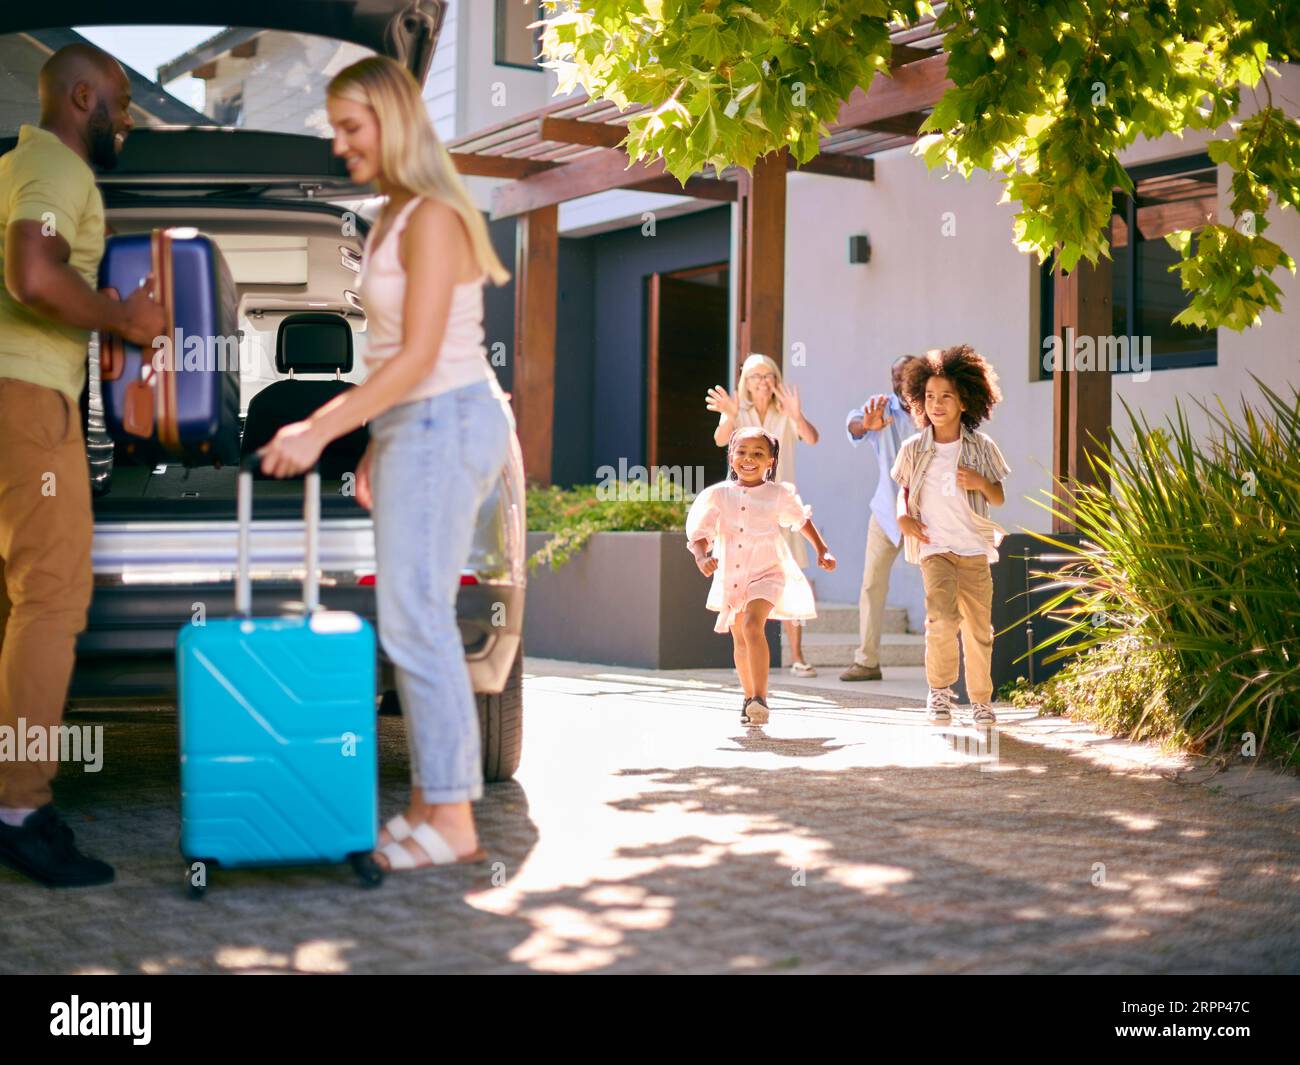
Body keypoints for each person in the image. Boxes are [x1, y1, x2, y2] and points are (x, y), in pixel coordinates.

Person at [257, 56, 514, 872]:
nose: (339, 145)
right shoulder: (394, 215)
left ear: (394, 124)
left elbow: (426, 357)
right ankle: (427, 807)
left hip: (446, 420)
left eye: (351, 128)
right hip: (415, 424)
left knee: (418, 619)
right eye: (336, 128)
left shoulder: (434, 215)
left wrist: (320, 426)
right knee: (410, 620)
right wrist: (374, 440)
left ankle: (456, 823)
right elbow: (393, 352)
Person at [0, 44, 166, 887]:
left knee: (13, 602)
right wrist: (123, 321)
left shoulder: (16, 166)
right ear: (80, 97)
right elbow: (33, 273)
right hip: (29, 404)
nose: (129, 119)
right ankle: (21, 809)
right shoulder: (59, 170)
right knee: (55, 597)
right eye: (123, 102)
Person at [890, 345, 1010, 725]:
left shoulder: (981, 446)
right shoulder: (914, 448)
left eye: (946, 397)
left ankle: (980, 701)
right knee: (940, 619)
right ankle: (940, 692)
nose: (936, 404)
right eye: (929, 397)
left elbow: (999, 497)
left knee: (978, 629)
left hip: (974, 549)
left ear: (965, 402)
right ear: (918, 400)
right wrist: (902, 519)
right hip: (934, 547)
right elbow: (904, 492)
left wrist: (980, 481)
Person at [686, 427, 836, 727]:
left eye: (758, 453)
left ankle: (760, 698)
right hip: (734, 575)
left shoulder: (778, 494)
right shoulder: (717, 495)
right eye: (741, 452)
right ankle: (747, 696)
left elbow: (802, 522)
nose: (749, 459)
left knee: (754, 625)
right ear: (731, 457)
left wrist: (822, 550)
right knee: (740, 639)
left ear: (770, 461)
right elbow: (700, 534)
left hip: (769, 571)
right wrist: (702, 557)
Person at [706, 352, 821, 676]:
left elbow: (812, 438)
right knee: (741, 581)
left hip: (779, 507)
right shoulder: (737, 410)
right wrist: (729, 416)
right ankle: (744, 657)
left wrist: (797, 417)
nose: (762, 382)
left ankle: (797, 656)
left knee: (792, 575)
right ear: (745, 381)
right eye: (755, 376)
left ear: (775, 380)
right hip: (743, 511)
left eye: (768, 375)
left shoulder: (784, 411)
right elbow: (719, 439)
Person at [841, 355, 918, 682]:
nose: (899, 382)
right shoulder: (881, 407)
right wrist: (866, 426)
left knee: (939, 587)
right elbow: (854, 424)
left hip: (925, 516)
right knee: (872, 584)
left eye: (907, 376)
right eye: (895, 376)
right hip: (886, 512)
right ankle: (867, 661)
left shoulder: (934, 409)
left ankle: (950, 663)